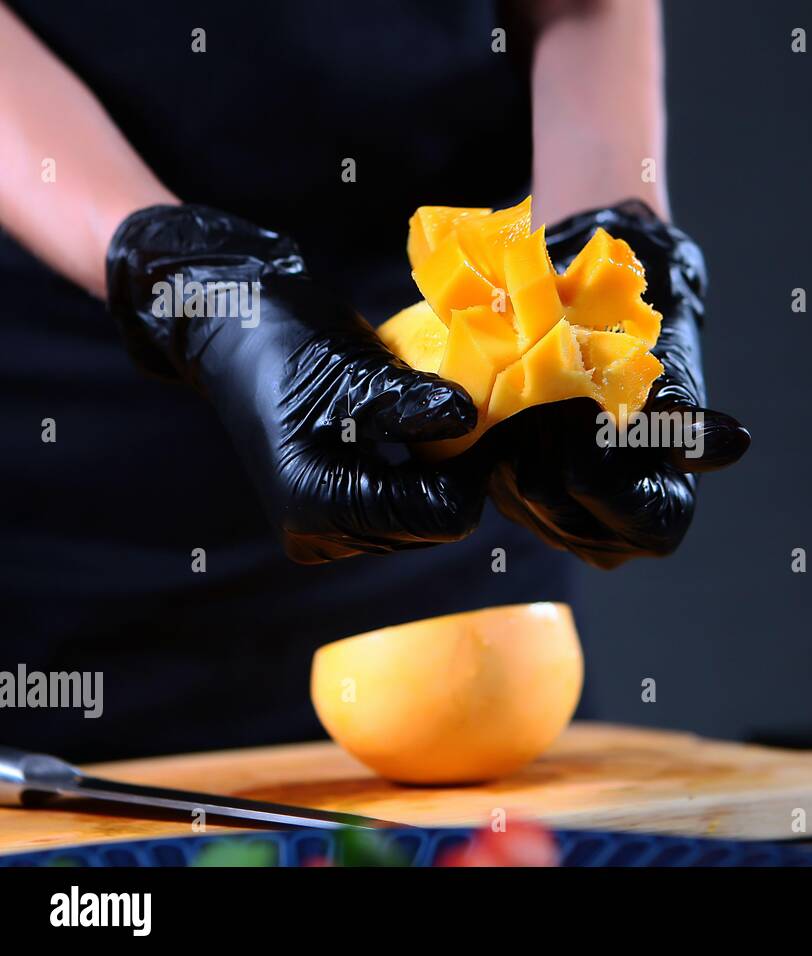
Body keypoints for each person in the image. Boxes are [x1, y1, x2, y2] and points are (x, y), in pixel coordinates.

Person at [0, 0, 747, 761]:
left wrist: (611, 242)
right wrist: (183, 275)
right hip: (67, 490)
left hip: (442, 486)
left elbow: (583, 11)